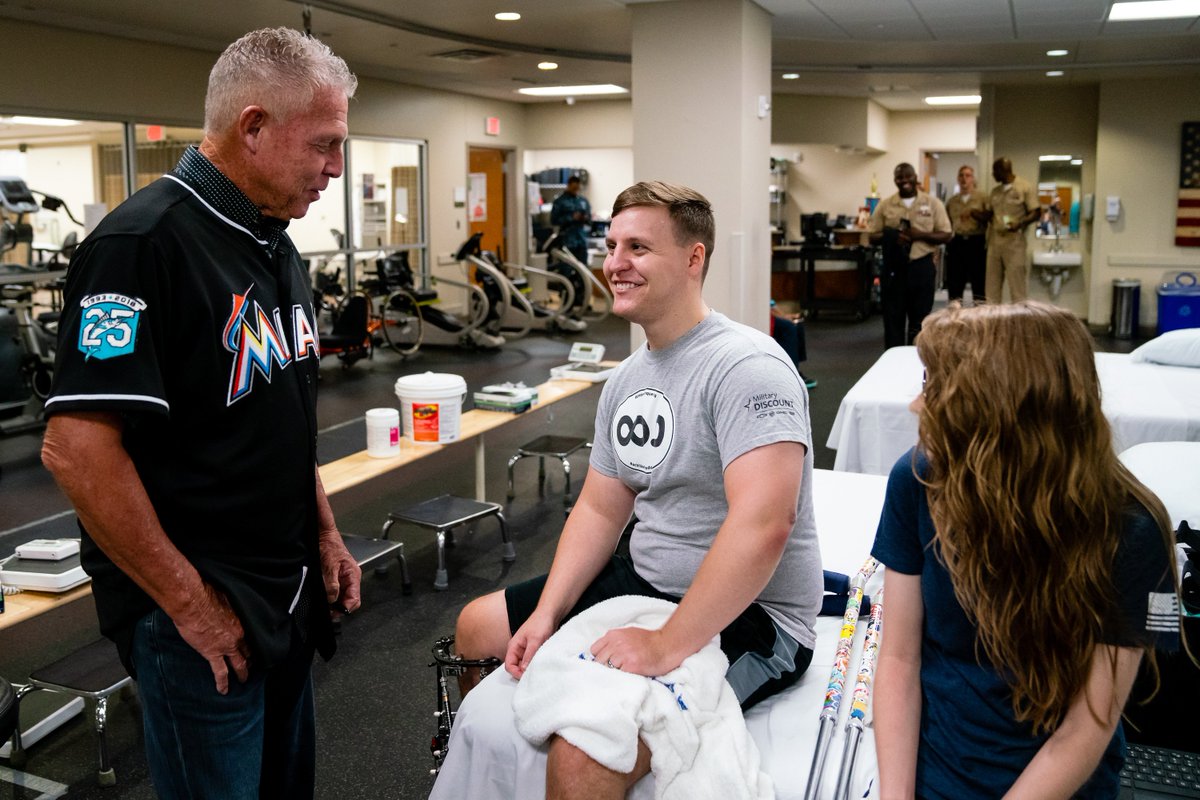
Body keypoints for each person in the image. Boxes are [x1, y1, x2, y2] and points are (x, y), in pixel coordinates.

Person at [40, 28, 362, 799]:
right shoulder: (140, 244)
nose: (336, 168)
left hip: (281, 592)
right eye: (323, 144)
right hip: (198, 610)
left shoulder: (273, 243)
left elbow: (281, 413)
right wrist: (194, 608)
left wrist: (322, 531)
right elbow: (76, 451)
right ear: (252, 127)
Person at [450, 180, 822, 797]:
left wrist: (667, 645)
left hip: (759, 615)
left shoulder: (746, 365)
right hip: (647, 581)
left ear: (693, 258)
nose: (615, 264)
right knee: (477, 627)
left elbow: (765, 523)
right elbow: (600, 506)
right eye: (612, 244)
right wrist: (546, 616)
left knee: (588, 750)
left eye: (639, 248)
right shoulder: (628, 377)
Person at [871, 302, 1181, 799]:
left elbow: (1088, 726)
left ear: (1001, 409)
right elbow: (900, 660)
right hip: (938, 766)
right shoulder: (917, 480)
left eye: (934, 387)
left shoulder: (1133, 531)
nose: (915, 405)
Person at [868, 163, 952, 348]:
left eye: (908, 176)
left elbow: (946, 234)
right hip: (894, 270)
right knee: (892, 321)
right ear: (895, 180)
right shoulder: (885, 205)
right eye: (900, 177)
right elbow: (871, 235)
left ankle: (917, 363)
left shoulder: (932, 203)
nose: (904, 181)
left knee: (921, 322)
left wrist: (920, 234)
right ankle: (893, 364)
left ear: (915, 178)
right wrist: (892, 236)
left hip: (920, 267)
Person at [982, 157, 1041, 303]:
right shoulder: (995, 191)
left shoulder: (1024, 187)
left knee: (1017, 287)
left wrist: (1020, 223)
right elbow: (989, 214)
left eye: (995, 171)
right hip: (994, 242)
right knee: (991, 287)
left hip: (1014, 242)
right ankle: (992, 322)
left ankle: (1019, 323)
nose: (993, 174)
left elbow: (1036, 212)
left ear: (1003, 170)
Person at [943, 165, 989, 305]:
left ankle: (980, 320)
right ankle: (955, 319)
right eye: (961, 175)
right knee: (955, 284)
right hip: (957, 242)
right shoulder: (952, 201)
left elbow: (989, 219)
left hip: (976, 242)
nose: (964, 178)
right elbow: (947, 223)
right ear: (958, 178)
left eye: (968, 175)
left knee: (979, 285)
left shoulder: (982, 198)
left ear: (973, 179)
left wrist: (975, 214)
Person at [770, 299, 818, 389]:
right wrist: (784, 317)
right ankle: (790, 372)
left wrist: (784, 316)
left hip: (769, 313)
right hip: (763, 315)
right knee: (789, 327)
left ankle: (795, 369)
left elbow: (771, 304)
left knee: (798, 324)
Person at [550, 174, 592, 266]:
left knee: (583, 271)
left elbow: (589, 220)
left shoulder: (583, 201)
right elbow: (553, 220)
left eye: (577, 188)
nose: (575, 191)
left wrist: (585, 218)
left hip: (581, 241)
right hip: (567, 241)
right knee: (567, 269)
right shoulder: (559, 201)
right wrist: (570, 218)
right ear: (568, 186)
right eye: (573, 188)